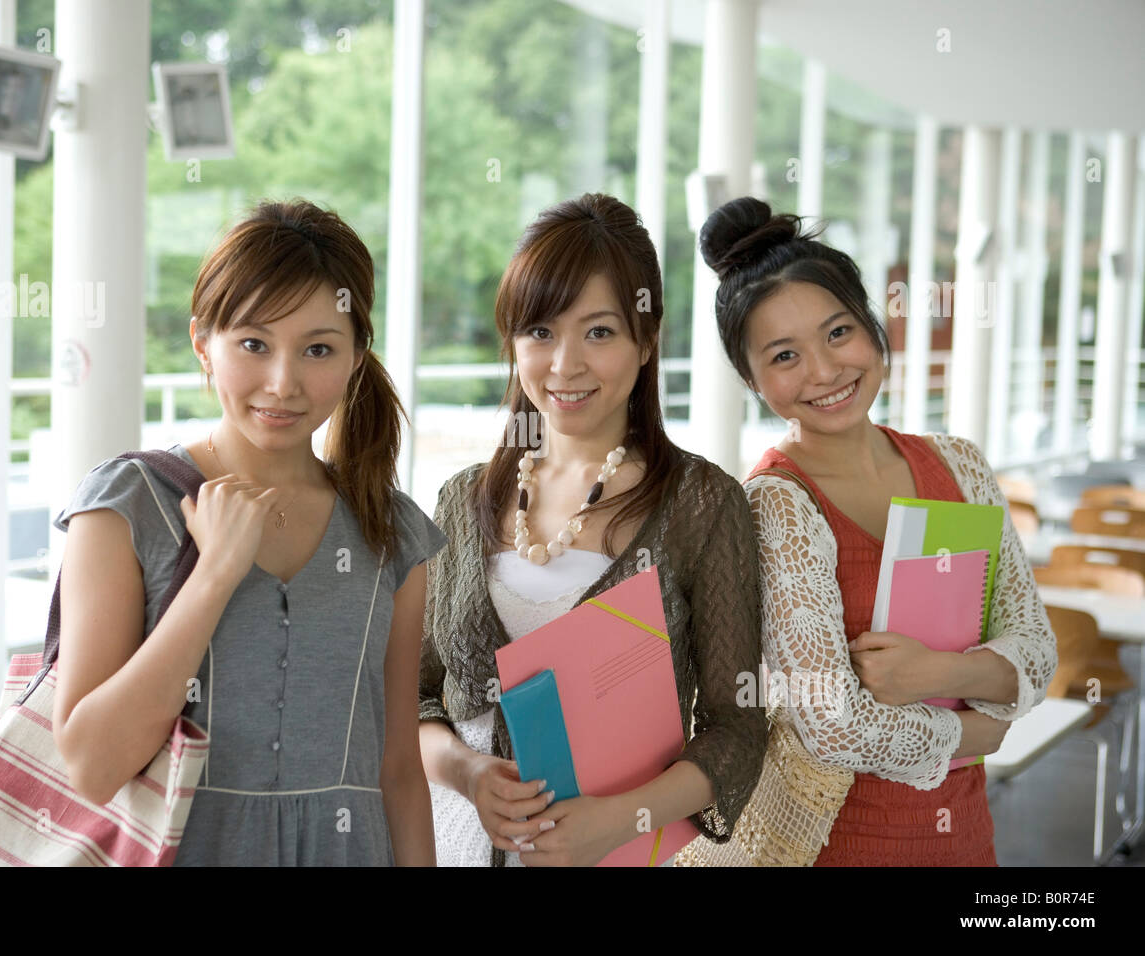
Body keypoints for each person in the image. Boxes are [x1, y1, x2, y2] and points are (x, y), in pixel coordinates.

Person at [51, 199, 444, 866]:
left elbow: (399, 770)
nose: (283, 382)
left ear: (355, 357)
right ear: (204, 345)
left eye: (318, 348)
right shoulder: (127, 506)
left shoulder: (393, 534)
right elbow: (90, 765)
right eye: (254, 344)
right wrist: (212, 577)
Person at [700, 196, 1057, 865]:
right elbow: (832, 725)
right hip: (849, 842)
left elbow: (1036, 647)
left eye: (838, 333)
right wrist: (979, 728)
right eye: (784, 356)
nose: (826, 371)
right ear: (751, 379)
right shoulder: (774, 505)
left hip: (968, 836)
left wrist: (939, 673)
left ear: (870, 322)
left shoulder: (959, 464)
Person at [419, 193, 767, 867]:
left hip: (617, 854)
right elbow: (415, 696)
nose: (565, 365)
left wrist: (619, 819)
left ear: (646, 341)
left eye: (599, 332)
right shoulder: (464, 500)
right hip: (455, 846)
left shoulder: (701, 505)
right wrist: (465, 771)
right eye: (540, 332)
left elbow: (736, 729)